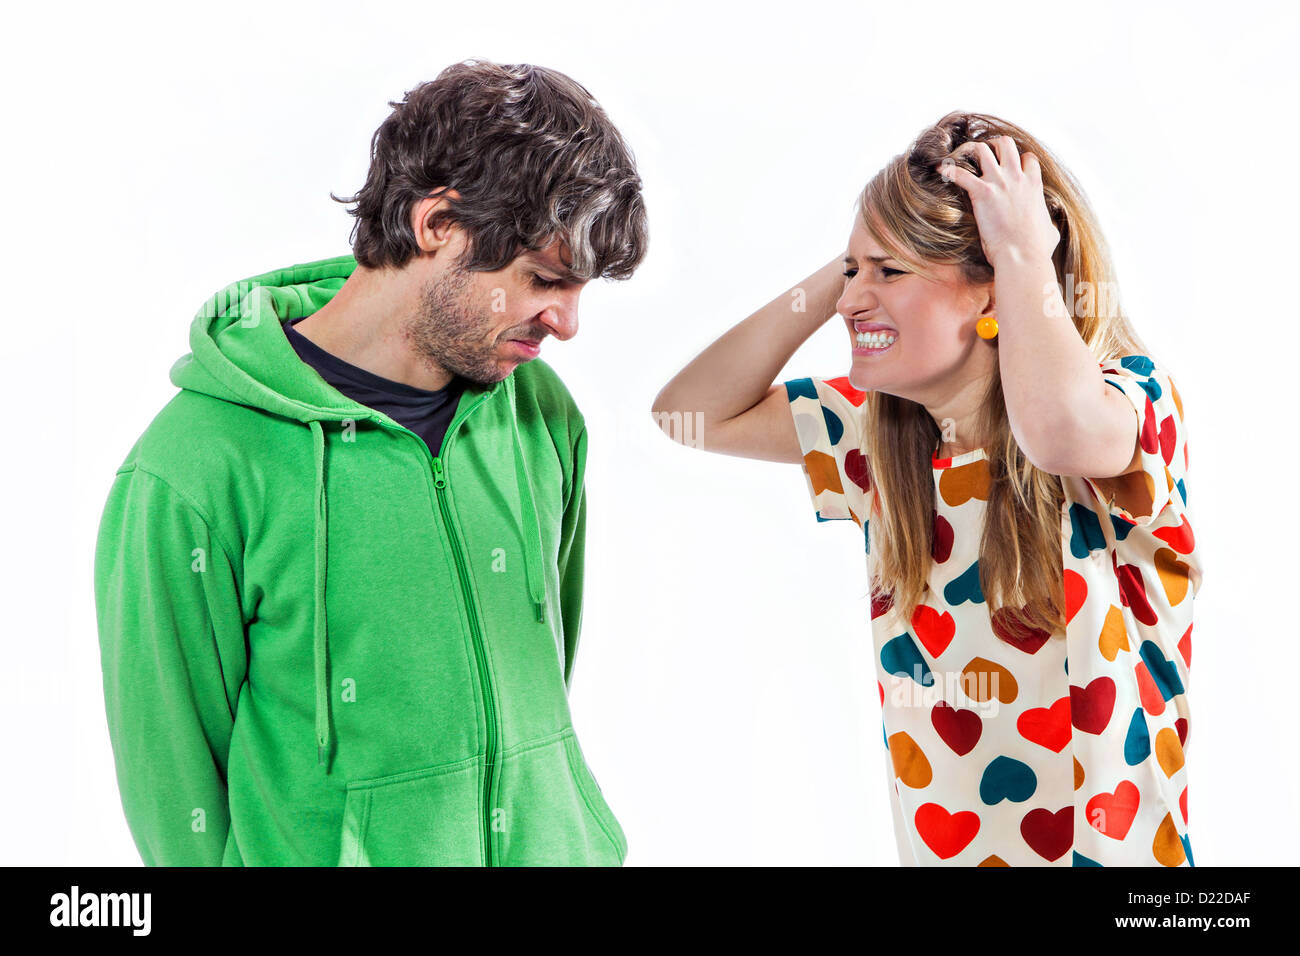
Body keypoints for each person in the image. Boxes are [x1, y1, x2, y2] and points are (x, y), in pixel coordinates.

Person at [93, 59, 648, 866]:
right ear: (435, 225)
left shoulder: (541, 415)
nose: (565, 324)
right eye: (544, 280)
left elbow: (540, 678)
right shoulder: (194, 468)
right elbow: (172, 788)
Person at [651, 112, 1201, 866]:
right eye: (854, 272)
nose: (849, 303)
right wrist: (856, 261)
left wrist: (1019, 252)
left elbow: (1054, 434)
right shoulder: (878, 442)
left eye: (890, 272)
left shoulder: (1127, 406)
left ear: (989, 293)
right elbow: (689, 415)